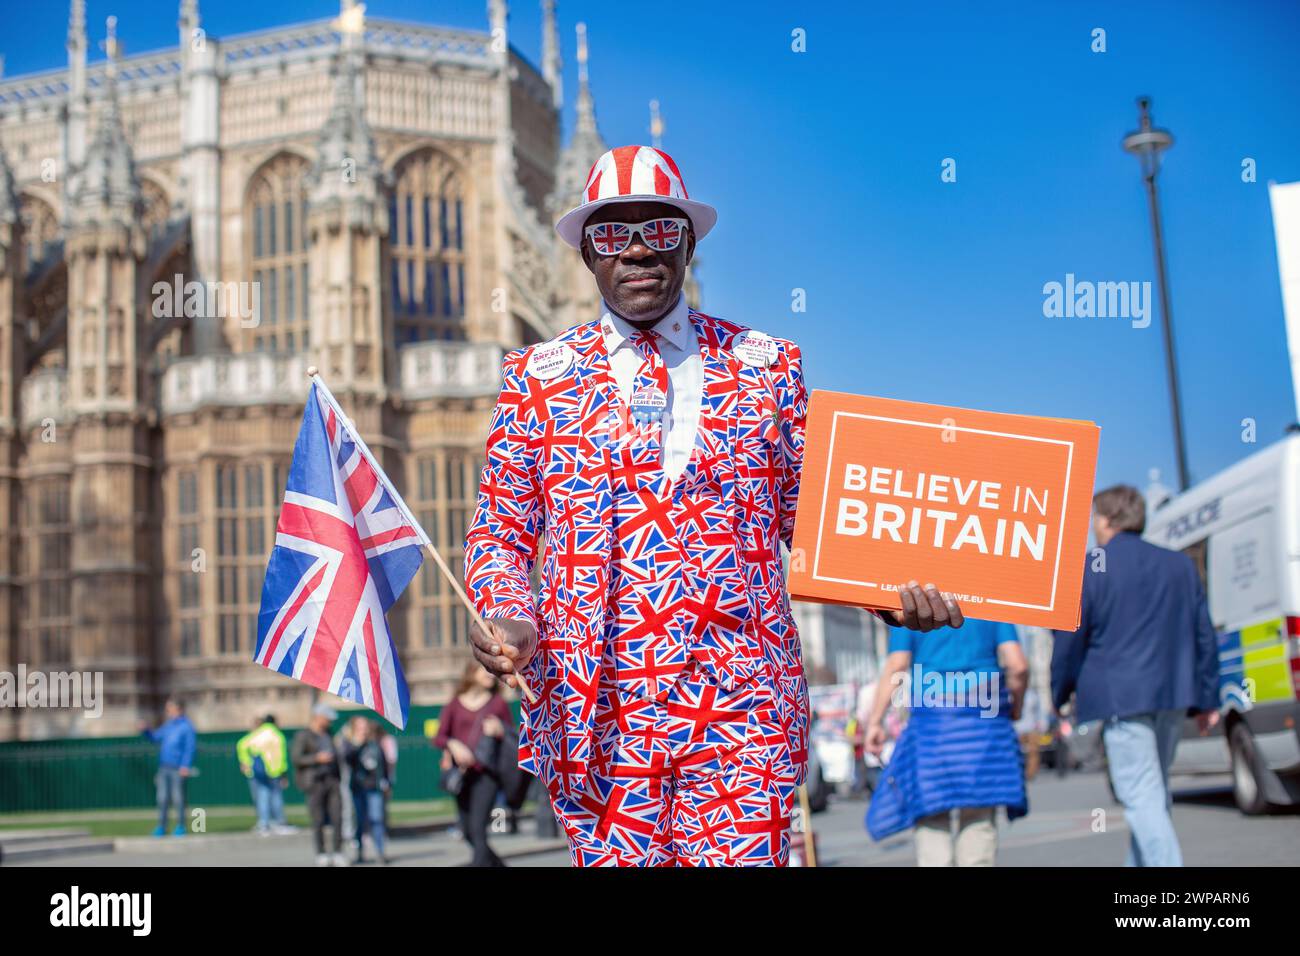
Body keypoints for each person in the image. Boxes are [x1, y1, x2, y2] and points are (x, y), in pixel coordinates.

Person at [464, 144, 964, 866]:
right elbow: (502, 535)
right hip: (597, 716)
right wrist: (508, 610)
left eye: (660, 231)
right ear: (585, 255)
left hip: (742, 709)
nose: (637, 251)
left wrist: (894, 592)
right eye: (612, 234)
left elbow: (820, 522)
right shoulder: (536, 378)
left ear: (691, 243)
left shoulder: (767, 364)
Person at [1052, 485, 1220, 867]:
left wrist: (1059, 692)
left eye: (1095, 517)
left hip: (1122, 700)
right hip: (1175, 696)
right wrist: (1207, 699)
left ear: (1107, 520)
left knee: (1142, 797)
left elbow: (1069, 640)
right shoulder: (1178, 564)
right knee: (1153, 796)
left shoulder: (1093, 567)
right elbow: (1203, 634)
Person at [865, 619, 1029, 866]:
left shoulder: (911, 598)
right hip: (984, 722)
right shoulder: (992, 598)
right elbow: (1018, 666)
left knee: (931, 812)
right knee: (978, 814)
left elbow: (897, 664)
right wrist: (1015, 707)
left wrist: (875, 721)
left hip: (932, 726)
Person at [433, 661, 513, 867]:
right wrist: (453, 745)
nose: (491, 676)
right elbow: (439, 737)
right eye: (486, 671)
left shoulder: (498, 703)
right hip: (461, 775)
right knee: (468, 831)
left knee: (478, 829)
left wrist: (500, 729)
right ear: (471, 673)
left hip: (487, 775)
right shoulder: (455, 704)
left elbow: (513, 736)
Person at [292, 703, 347, 867]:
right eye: (327, 718)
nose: (330, 722)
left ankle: (338, 852)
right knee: (318, 819)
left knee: (338, 818)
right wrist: (317, 758)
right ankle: (321, 853)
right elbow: (296, 758)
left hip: (332, 781)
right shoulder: (303, 736)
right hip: (314, 782)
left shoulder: (329, 734)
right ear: (318, 717)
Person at [140, 698, 196, 838]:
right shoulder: (168, 725)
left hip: (178, 768)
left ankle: (181, 826)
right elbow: (155, 738)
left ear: (179, 709)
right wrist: (146, 730)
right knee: (162, 798)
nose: (168, 711)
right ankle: (162, 827)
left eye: (170, 708)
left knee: (178, 798)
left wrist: (185, 765)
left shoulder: (186, 727)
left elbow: (190, 747)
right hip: (164, 767)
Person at [342, 719, 391, 865]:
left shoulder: (375, 745)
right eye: (360, 727)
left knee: (376, 819)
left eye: (365, 727)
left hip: (374, 788)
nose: (363, 730)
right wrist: (357, 744)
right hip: (358, 788)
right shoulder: (351, 745)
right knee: (360, 820)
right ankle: (359, 852)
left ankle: (380, 852)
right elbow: (347, 760)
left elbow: (384, 764)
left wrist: (386, 782)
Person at [237, 714, 292, 835]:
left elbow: (241, 745)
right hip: (275, 770)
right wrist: (284, 773)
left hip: (259, 771)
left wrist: (245, 761)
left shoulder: (257, 734)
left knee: (262, 796)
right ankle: (279, 822)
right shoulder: (277, 735)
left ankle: (264, 823)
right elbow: (282, 756)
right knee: (276, 797)